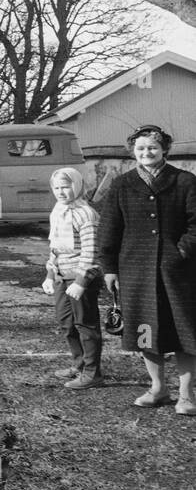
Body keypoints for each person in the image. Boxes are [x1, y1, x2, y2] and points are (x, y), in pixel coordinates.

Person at [98, 125, 196, 415]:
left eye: (152, 147)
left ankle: (186, 396)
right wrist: (109, 268)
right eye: (140, 149)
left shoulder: (186, 182)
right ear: (133, 152)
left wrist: (181, 252)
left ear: (165, 148)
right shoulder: (122, 184)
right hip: (135, 272)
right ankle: (158, 388)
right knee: (145, 331)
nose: (147, 153)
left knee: (185, 332)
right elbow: (109, 229)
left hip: (180, 273)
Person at [41, 168, 103, 391]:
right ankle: (78, 364)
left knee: (85, 324)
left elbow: (91, 252)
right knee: (66, 323)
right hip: (61, 277)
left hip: (80, 279)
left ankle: (92, 372)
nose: (61, 192)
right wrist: (50, 273)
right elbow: (54, 246)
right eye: (56, 188)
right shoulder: (59, 210)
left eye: (66, 187)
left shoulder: (86, 214)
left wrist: (81, 281)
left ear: (76, 186)